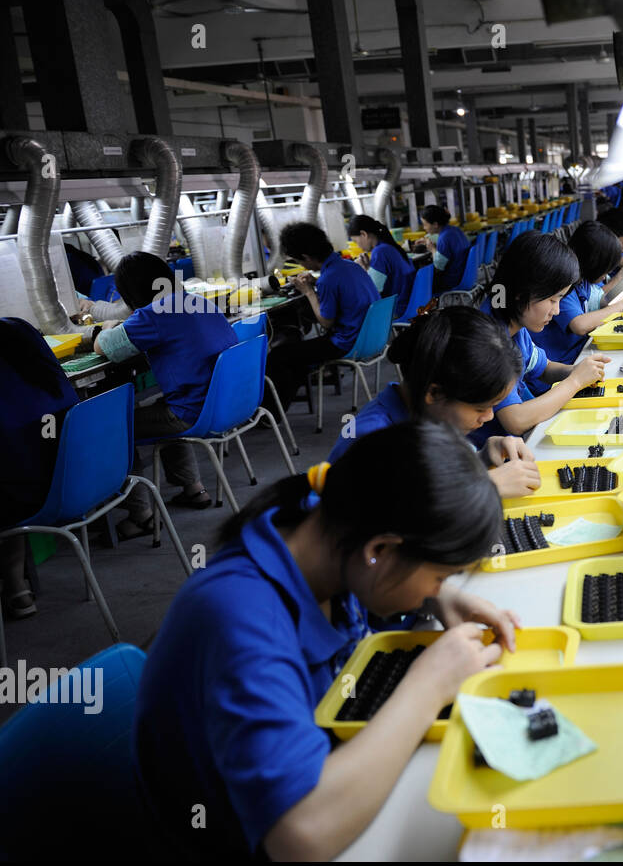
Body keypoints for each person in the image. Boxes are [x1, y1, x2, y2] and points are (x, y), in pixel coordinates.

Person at [133, 421, 517, 860]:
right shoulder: (240, 619)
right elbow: (300, 835)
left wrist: (441, 598)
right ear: (379, 550)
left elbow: (382, 569)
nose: (439, 587)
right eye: (440, 576)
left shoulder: (325, 524)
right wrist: (427, 689)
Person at [328, 305, 541, 499]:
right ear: (435, 393)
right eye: (481, 408)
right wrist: (484, 485)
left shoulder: (431, 417)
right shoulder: (371, 441)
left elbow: (431, 480)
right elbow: (386, 521)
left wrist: (481, 458)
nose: (489, 416)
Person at [93, 252, 236, 538]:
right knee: (164, 404)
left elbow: (105, 348)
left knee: (112, 428)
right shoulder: (198, 300)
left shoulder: (153, 314)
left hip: (192, 411)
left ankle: (142, 515)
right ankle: (193, 488)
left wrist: (104, 327)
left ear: (129, 293)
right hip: (224, 403)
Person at [473, 231, 609, 447]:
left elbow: (543, 368)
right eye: (552, 300)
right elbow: (515, 420)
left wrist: (579, 371)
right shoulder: (489, 337)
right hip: (497, 456)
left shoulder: (513, 319)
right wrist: (574, 382)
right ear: (522, 291)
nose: (556, 311)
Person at [0, 318, 80, 619]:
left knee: (11, 480)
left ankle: (17, 586)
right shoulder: (20, 330)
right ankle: (17, 587)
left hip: (29, 496)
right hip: (80, 481)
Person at [265, 222, 381, 410]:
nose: (301, 265)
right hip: (370, 336)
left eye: (299, 261)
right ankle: (284, 400)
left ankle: (272, 412)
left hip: (346, 343)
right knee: (297, 354)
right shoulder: (350, 266)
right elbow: (338, 286)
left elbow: (326, 322)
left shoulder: (329, 278)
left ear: (306, 257)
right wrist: (317, 280)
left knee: (279, 355)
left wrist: (309, 291)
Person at [530, 221, 623, 365]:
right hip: (567, 361)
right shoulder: (563, 285)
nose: (607, 273)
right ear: (594, 263)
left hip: (580, 355)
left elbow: (599, 300)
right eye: (606, 268)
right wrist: (621, 306)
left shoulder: (582, 281)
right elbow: (579, 325)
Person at [347, 214, 415, 320]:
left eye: (356, 241)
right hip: (409, 302)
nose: (358, 246)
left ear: (363, 234)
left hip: (396, 308)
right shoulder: (389, 247)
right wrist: (367, 268)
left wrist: (362, 271)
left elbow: (374, 292)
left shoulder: (379, 252)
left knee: (351, 315)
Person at [419, 205, 472, 295]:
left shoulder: (444, 237)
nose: (424, 228)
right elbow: (449, 248)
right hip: (464, 274)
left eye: (425, 224)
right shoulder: (455, 230)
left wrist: (432, 249)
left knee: (419, 280)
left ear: (435, 224)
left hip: (452, 280)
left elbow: (438, 267)